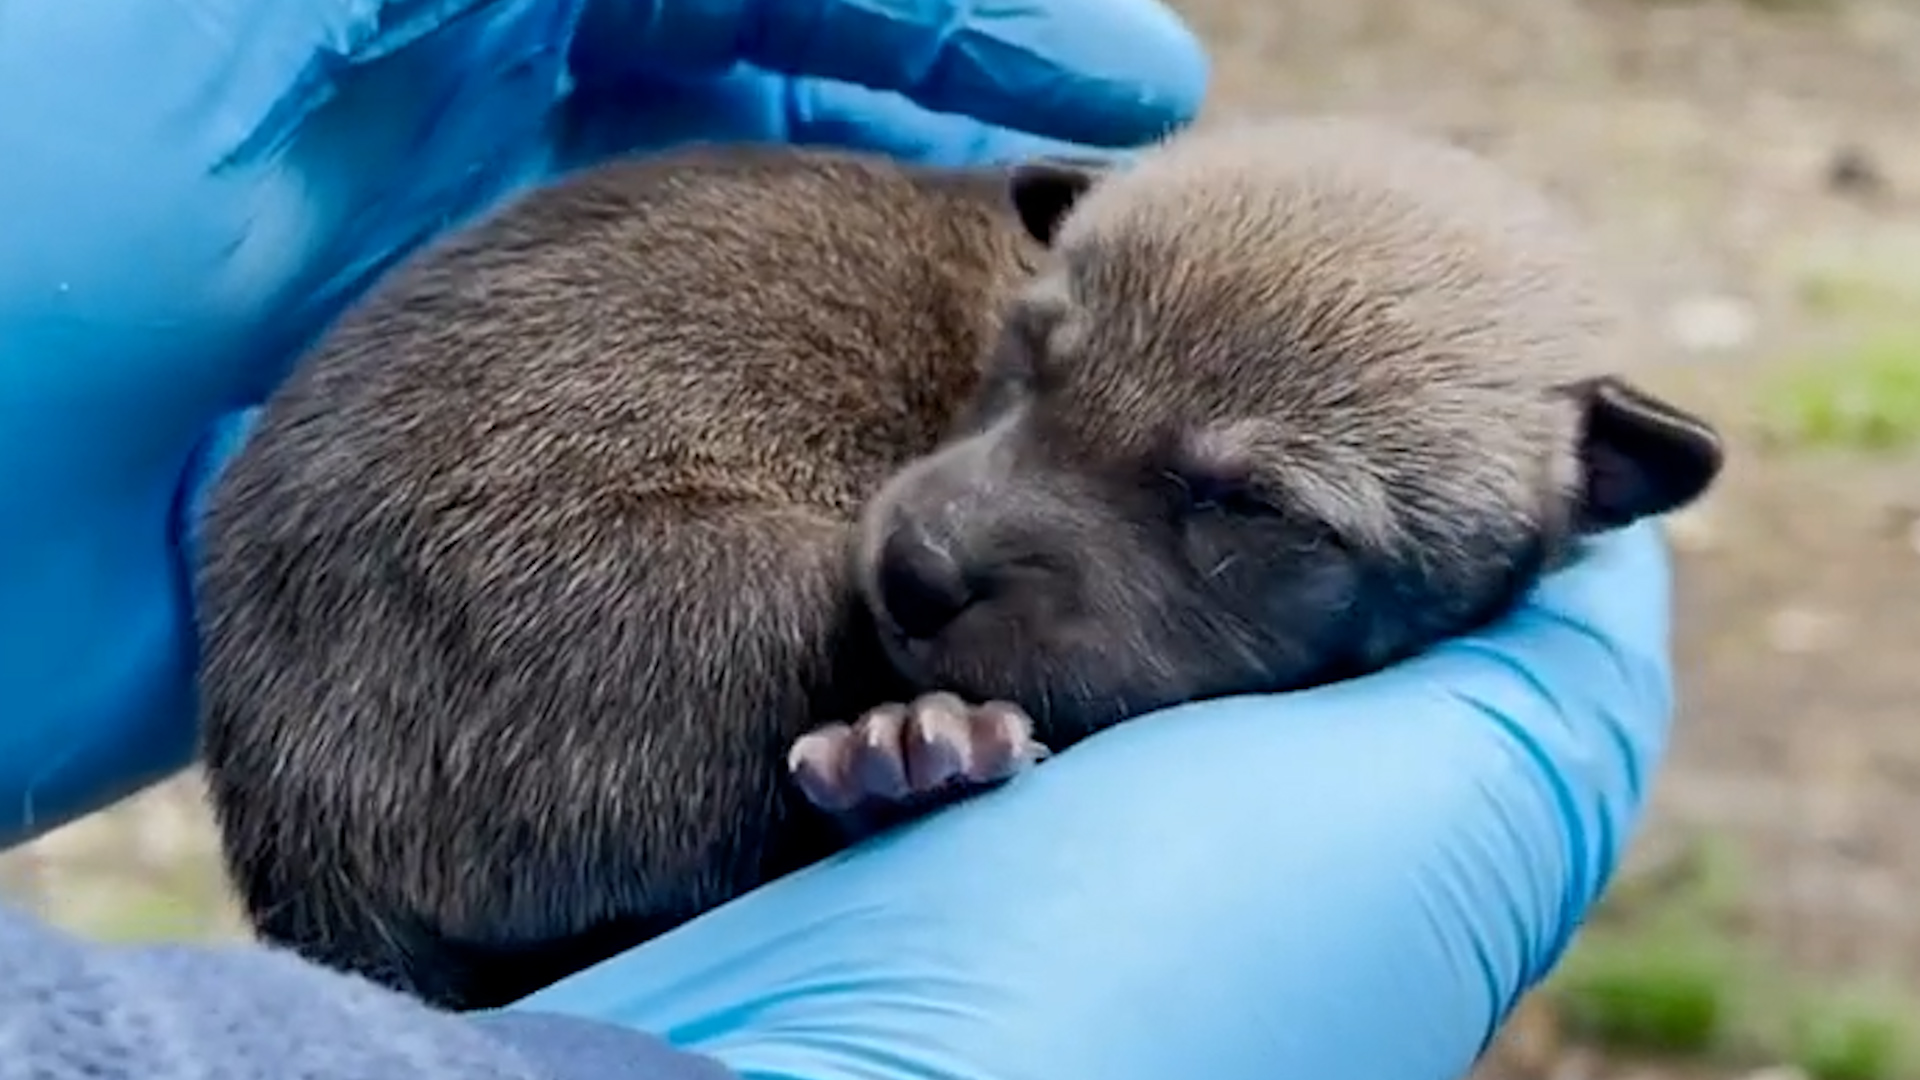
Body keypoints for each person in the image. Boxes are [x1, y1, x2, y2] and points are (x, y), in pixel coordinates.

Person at [0, 2, 1682, 1078]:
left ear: (1589, 487)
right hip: (538, 660)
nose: (951, 534)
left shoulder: (1526, 453)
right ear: (1048, 251)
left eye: (1236, 507)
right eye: (1029, 372)